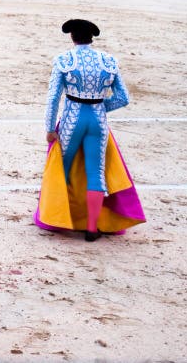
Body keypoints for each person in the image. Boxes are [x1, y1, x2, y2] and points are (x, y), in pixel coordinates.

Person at [37, 20, 146, 241]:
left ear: (72, 37)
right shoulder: (108, 61)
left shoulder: (64, 60)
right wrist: (99, 107)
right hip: (98, 121)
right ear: (92, 38)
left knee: (63, 169)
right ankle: (92, 228)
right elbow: (123, 98)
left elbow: (53, 99)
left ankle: (60, 220)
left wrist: (49, 128)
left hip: (72, 119)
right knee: (96, 173)